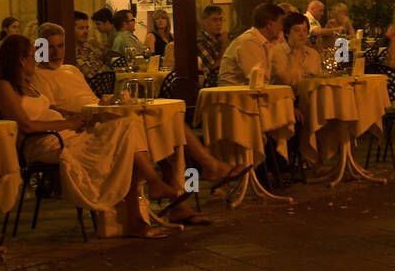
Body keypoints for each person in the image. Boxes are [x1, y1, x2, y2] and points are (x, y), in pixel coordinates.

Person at [31, 23, 242, 219]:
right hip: (88, 125)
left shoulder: (72, 70)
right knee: (157, 132)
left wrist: (107, 101)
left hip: (103, 113)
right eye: (50, 47)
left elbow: (91, 97)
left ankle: (204, 172)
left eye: (60, 46)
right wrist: (80, 114)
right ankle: (182, 192)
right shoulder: (38, 76)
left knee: (172, 123)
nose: (56, 52)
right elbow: (51, 109)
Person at [0, 34, 183, 238]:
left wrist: (70, 115)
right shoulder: (4, 87)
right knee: (125, 137)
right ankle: (149, 195)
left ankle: (144, 204)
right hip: (45, 143)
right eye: (32, 55)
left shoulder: (28, 83)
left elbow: (45, 108)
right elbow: (27, 126)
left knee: (128, 126)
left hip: (63, 133)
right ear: (21, 60)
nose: (36, 59)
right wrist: (68, 124)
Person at [218, 4, 284, 86]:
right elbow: (258, 81)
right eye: (281, 22)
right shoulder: (248, 42)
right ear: (269, 25)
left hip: (249, 91)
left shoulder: (267, 42)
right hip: (234, 92)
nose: (282, 27)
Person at [275, 12, 321, 82]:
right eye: (297, 30)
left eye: (305, 30)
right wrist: (296, 52)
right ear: (287, 33)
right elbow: (287, 81)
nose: (302, 34)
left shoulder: (313, 54)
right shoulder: (278, 52)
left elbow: (319, 80)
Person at [73, 11, 107, 79]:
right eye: (81, 28)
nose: (86, 31)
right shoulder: (70, 53)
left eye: (87, 28)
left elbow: (102, 66)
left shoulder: (88, 47)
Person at [197, 4, 228, 76]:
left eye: (221, 19)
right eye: (214, 20)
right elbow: (214, 70)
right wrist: (224, 45)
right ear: (204, 21)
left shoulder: (220, 37)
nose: (219, 23)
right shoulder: (200, 41)